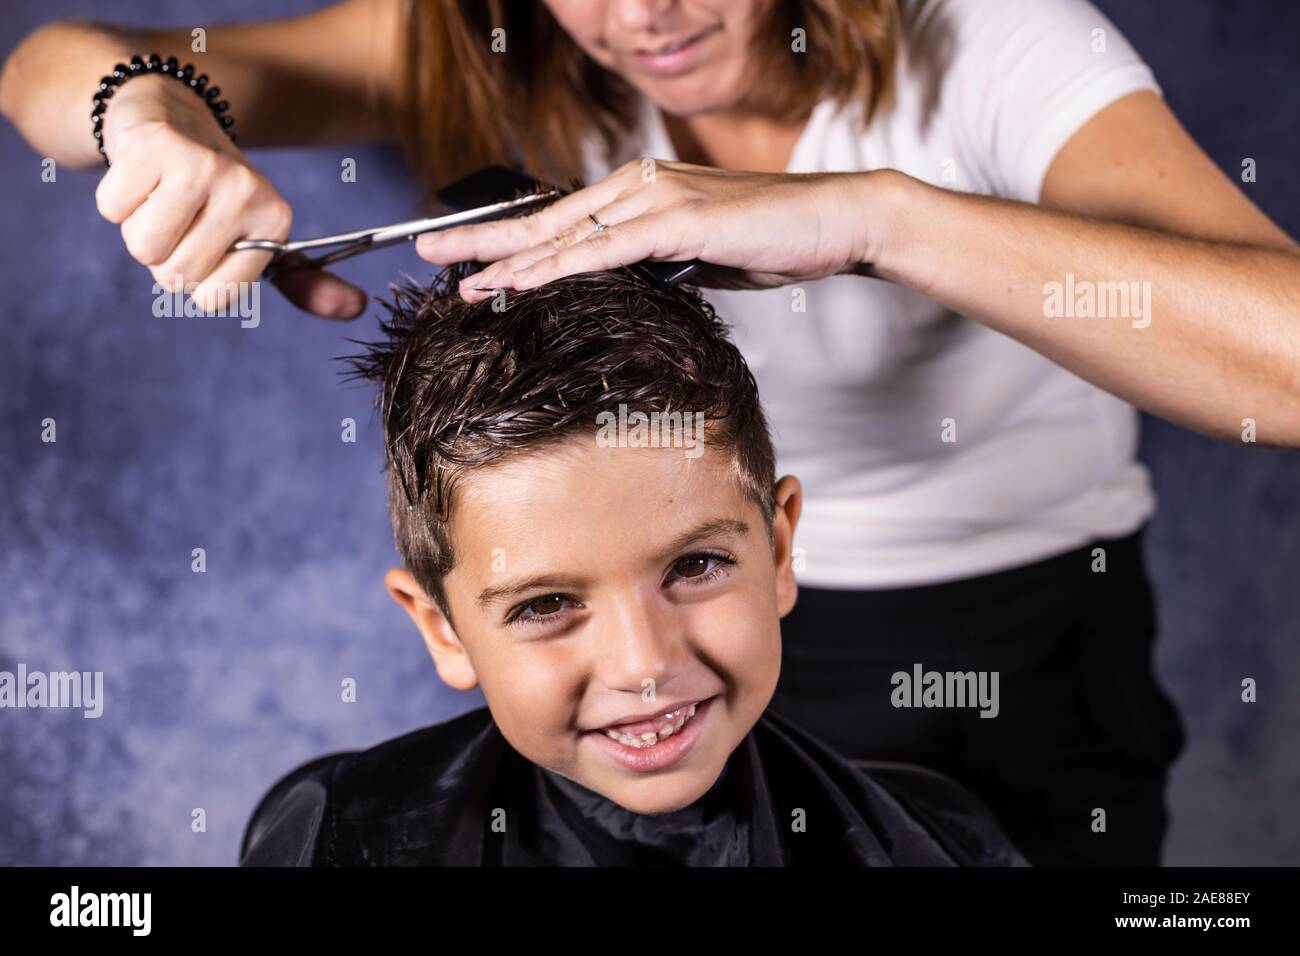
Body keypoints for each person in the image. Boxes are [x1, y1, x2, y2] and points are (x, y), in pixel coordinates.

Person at [4, 0, 1297, 864]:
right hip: (715, 596)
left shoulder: (990, 42)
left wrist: (878, 219)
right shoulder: (499, 34)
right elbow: (45, 64)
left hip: (1022, 632)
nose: (645, 19)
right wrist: (152, 112)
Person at [239, 264, 1028, 867]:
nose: (644, 663)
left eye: (696, 565)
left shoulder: (936, 843)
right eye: (546, 605)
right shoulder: (341, 838)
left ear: (779, 548)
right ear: (442, 628)